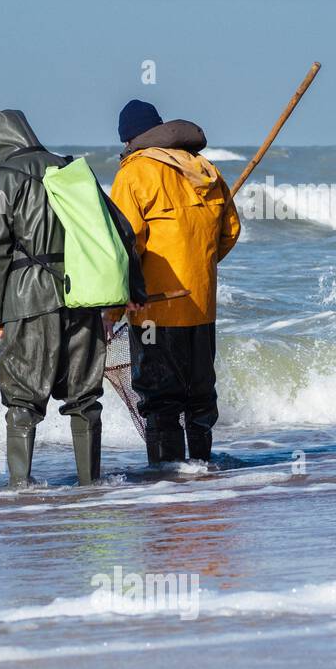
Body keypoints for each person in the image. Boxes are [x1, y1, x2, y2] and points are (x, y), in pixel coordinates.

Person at [0, 109, 143, 489]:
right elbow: (121, 230)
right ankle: (91, 484)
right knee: (84, 397)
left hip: (27, 301)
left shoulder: (0, 182)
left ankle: (20, 487)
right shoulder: (68, 168)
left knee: (23, 399)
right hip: (84, 295)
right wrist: (133, 290)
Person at [108, 100, 241, 464]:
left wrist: (115, 305)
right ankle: (201, 471)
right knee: (199, 396)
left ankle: (166, 483)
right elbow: (229, 232)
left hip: (154, 309)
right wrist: (199, 266)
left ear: (130, 139)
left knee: (159, 399)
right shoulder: (206, 169)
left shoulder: (134, 173)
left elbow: (125, 244)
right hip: (201, 305)